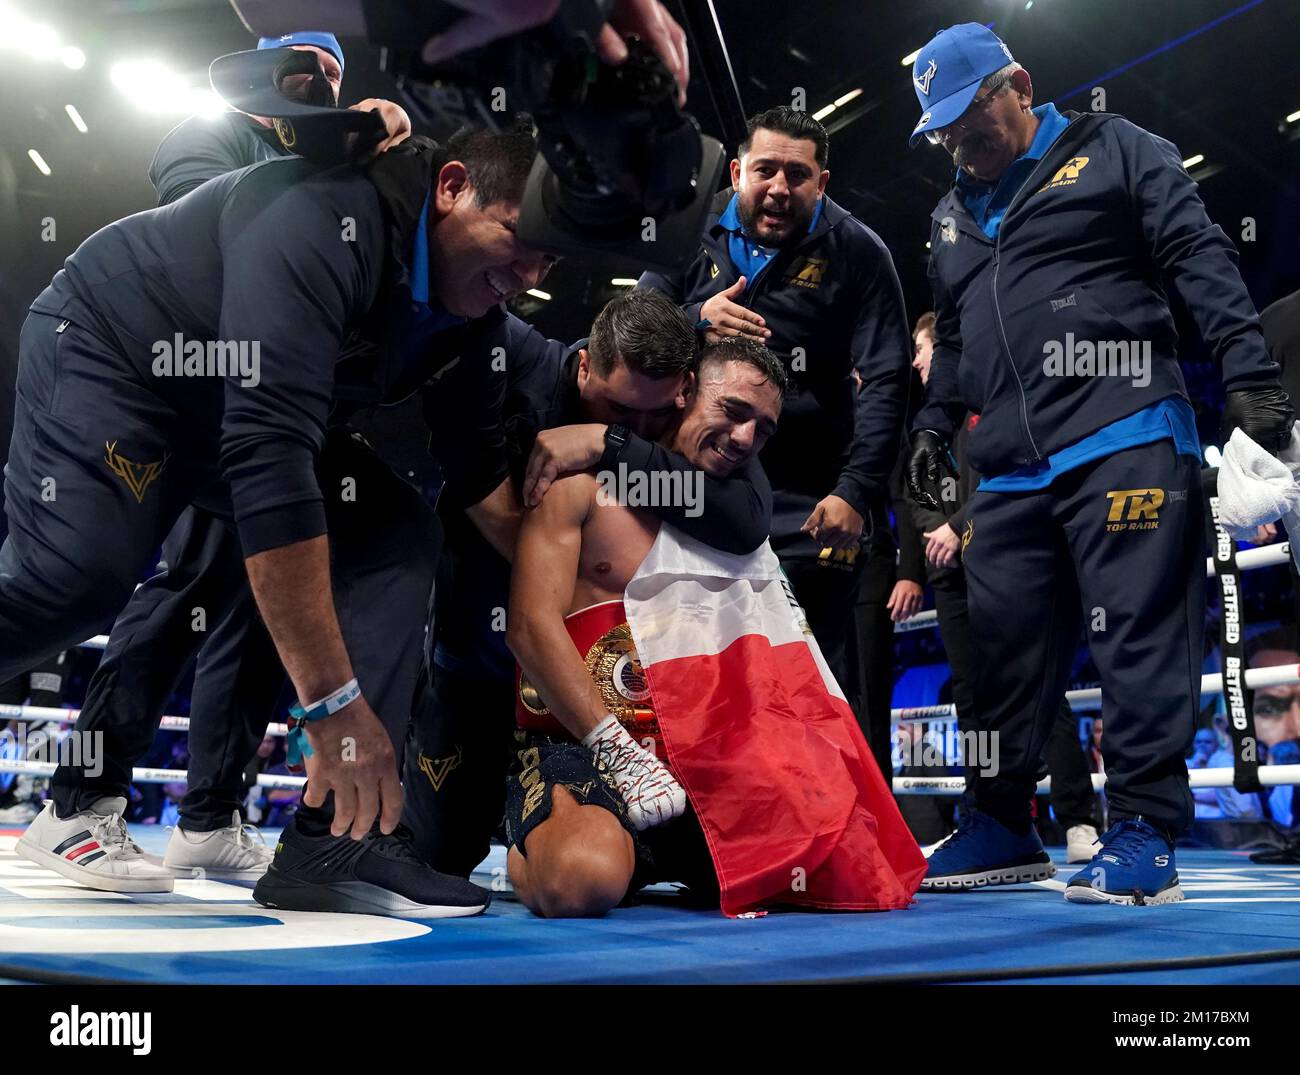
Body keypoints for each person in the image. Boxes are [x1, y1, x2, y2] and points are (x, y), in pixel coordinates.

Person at [8, 120, 549, 918]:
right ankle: (82, 800)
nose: (529, 272)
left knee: (396, 531)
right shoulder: (325, 214)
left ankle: (331, 843)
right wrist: (332, 707)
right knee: (75, 579)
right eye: (518, 236)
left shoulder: (477, 327)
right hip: (117, 355)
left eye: (550, 259)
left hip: (232, 417)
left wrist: (584, 597)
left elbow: (480, 486)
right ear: (452, 185)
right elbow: (269, 455)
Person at [904, 23, 1293, 904]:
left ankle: (1146, 829)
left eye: (971, 118)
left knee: (1137, 634)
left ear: (1020, 86)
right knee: (998, 664)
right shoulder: (947, 217)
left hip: (1124, 428)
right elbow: (957, 336)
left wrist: (1252, 383)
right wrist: (933, 424)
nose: (960, 143)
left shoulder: (1115, 147)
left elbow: (1200, 255)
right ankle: (999, 822)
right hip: (1005, 469)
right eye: (943, 132)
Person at [69, 30, 414, 885]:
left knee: (265, 616)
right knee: (171, 595)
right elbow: (237, 258)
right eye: (303, 71)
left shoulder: (327, 160)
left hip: (274, 417)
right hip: (190, 408)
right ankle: (80, 794)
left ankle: (211, 813)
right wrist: (347, 152)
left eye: (333, 77)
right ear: (264, 74)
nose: (320, 87)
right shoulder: (210, 137)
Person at [503, 337, 923, 915]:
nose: (746, 439)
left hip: (704, 758)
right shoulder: (583, 486)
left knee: (834, 864)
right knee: (582, 879)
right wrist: (614, 751)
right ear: (685, 392)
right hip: (586, 746)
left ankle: (654, 859)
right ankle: (535, 846)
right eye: (734, 412)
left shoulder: (739, 519)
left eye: (765, 429)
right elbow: (527, 626)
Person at [403, 288, 774, 876]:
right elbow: (469, 479)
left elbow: (747, 517)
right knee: (437, 858)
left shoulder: (681, 411)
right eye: (620, 412)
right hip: (485, 649)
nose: (645, 427)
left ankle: (575, 839)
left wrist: (609, 441)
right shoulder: (512, 364)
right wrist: (560, 576)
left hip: (611, 692)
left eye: (659, 414)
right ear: (583, 367)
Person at [638, 105, 912, 714]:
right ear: (736, 171)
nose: (780, 190)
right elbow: (627, 341)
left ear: (823, 183)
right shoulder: (685, 231)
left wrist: (856, 490)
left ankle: (834, 812)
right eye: (766, 171)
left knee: (821, 690)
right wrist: (694, 321)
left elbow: (888, 377)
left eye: (798, 175)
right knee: (695, 679)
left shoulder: (860, 252)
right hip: (692, 488)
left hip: (809, 503)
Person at [907, 312, 1102, 866]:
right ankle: (991, 814)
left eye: (923, 350)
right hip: (950, 573)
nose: (918, 362)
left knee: (1041, 688)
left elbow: (1016, 475)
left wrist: (958, 523)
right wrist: (932, 529)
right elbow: (915, 491)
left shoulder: (996, 395)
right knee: (974, 701)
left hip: (1006, 554)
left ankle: (1080, 816)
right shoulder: (929, 425)